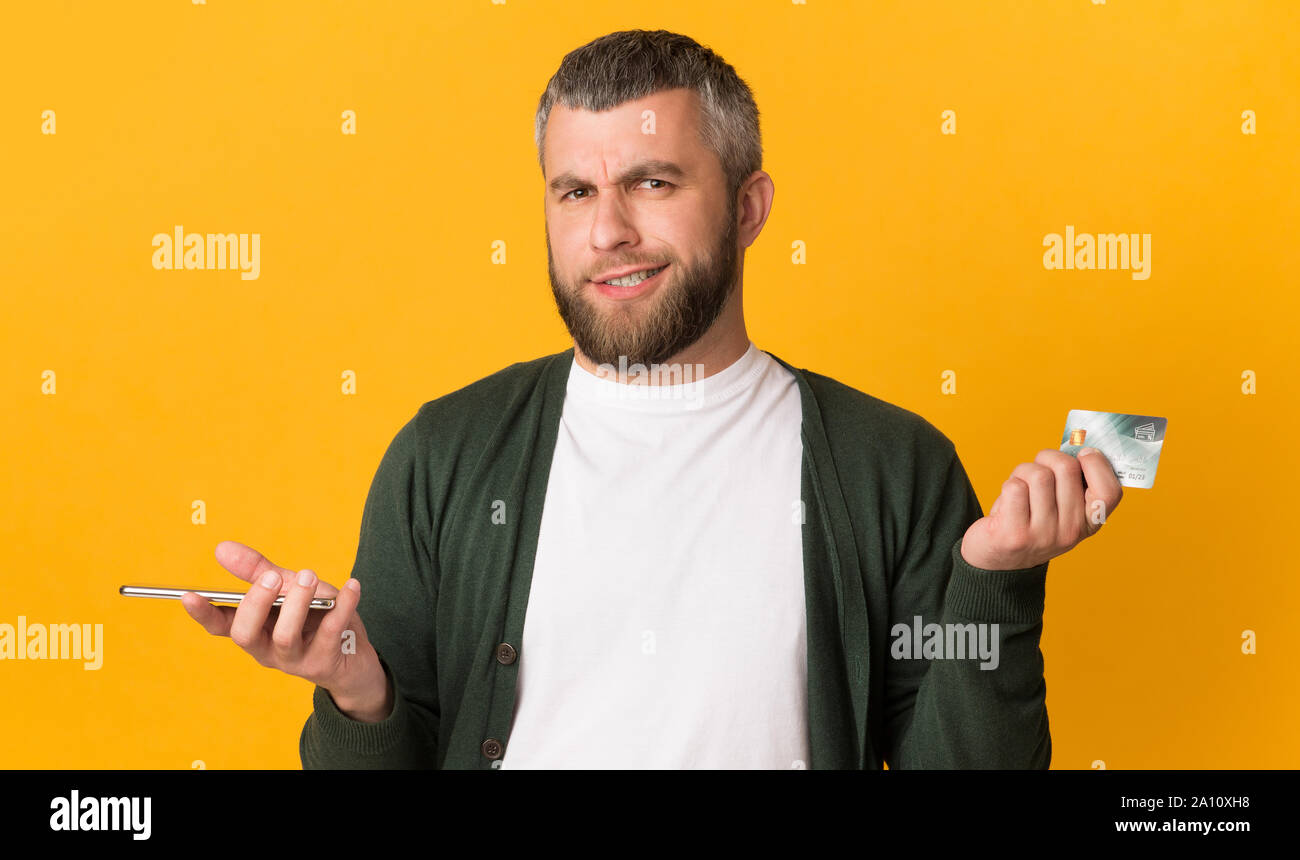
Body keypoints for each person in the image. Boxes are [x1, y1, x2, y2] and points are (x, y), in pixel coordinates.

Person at [183, 29, 1122, 769]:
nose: (606, 231)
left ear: (750, 208)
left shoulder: (892, 465)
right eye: (574, 191)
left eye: (652, 182)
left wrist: (992, 581)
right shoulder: (446, 452)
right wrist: (355, 695)